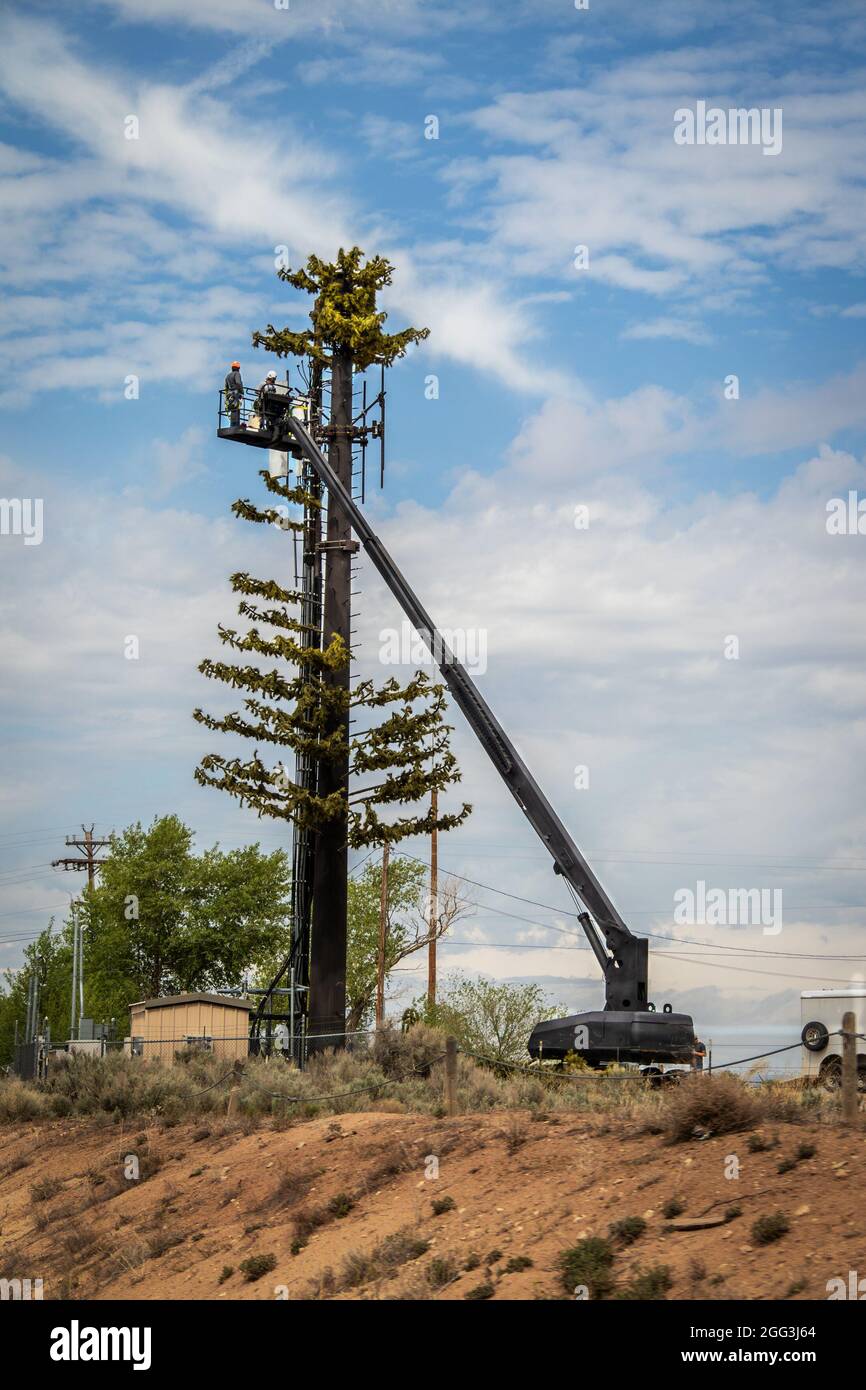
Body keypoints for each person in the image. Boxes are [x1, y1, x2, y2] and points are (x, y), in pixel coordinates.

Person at [224, 360, 244, 426]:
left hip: (229, 395)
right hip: (235, 394)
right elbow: (238, 383)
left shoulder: (228, 376)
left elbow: (226, 387)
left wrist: (227, 397)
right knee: (236, 408)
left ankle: (233, 426)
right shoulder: (237, 374)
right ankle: (235, 425)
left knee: (232, 409)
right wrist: (242, 392)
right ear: (238, 368)